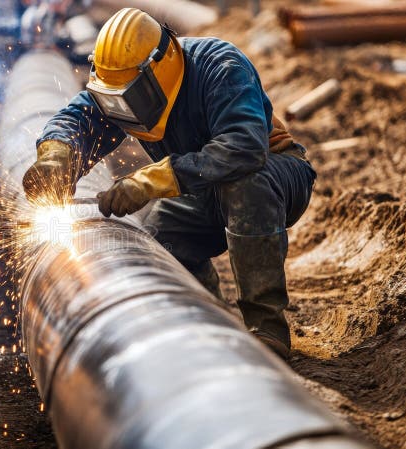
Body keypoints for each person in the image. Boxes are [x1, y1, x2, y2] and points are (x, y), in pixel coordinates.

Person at [22, 8, 315, 359]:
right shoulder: (123, 85)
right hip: (204, 189)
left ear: (157, 72)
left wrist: (149, 181)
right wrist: (58, 155)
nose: (125, 111)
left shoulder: (221, 67)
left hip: (275, 176)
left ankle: (267, 328)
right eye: (115, 100)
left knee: (245, 186)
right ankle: (211, 321)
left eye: (130, 99)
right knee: (160, 232)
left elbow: (244, 148)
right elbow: (77, 117)